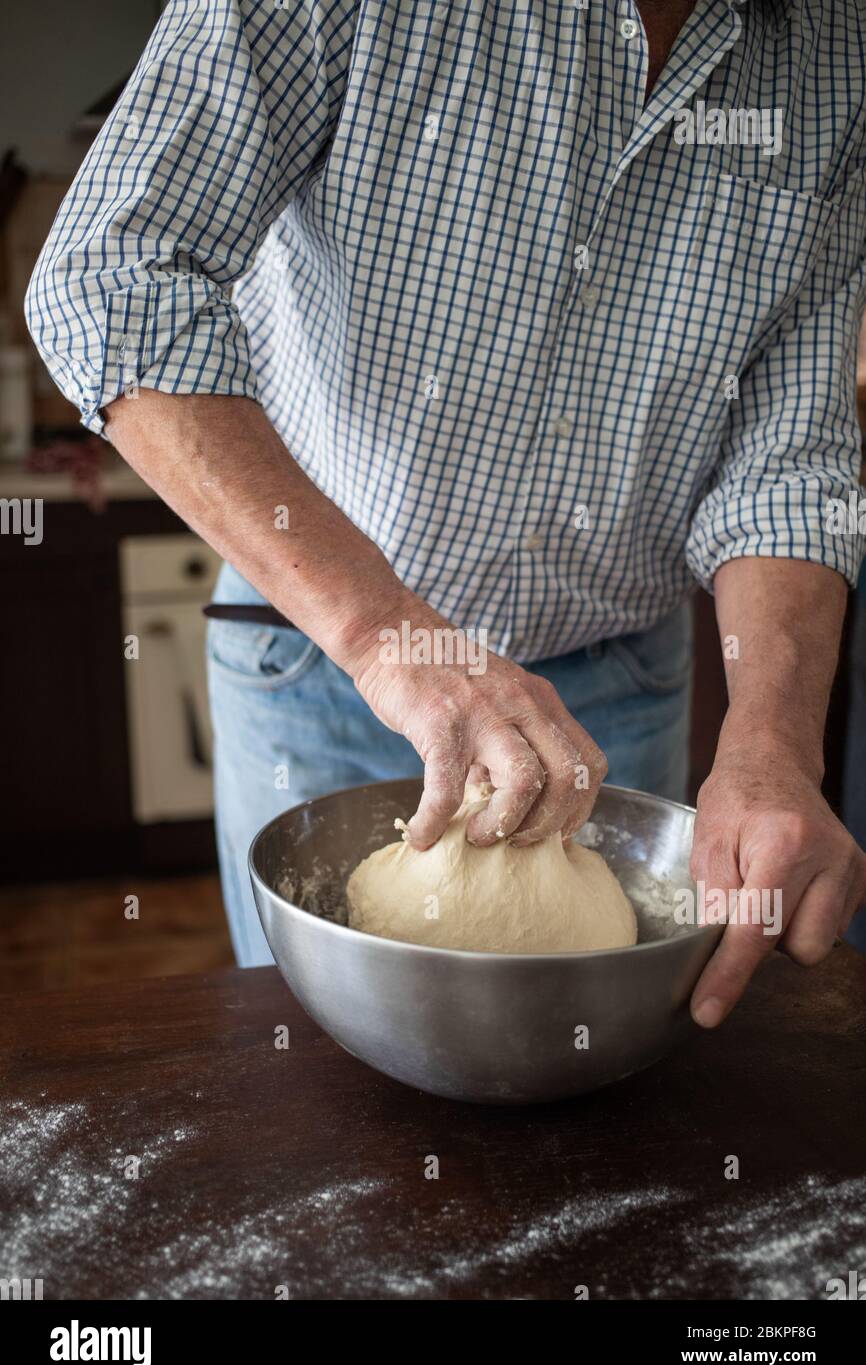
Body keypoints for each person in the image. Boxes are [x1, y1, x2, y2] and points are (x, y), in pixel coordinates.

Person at [26, 0, 866, 1024]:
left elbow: (788, 461)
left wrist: (774, 741)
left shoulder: (837, 45)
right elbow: (111, 276)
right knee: (316, 1074)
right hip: (321, 655)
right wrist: (386, 636)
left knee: (579, 1069)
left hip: (613, 684)